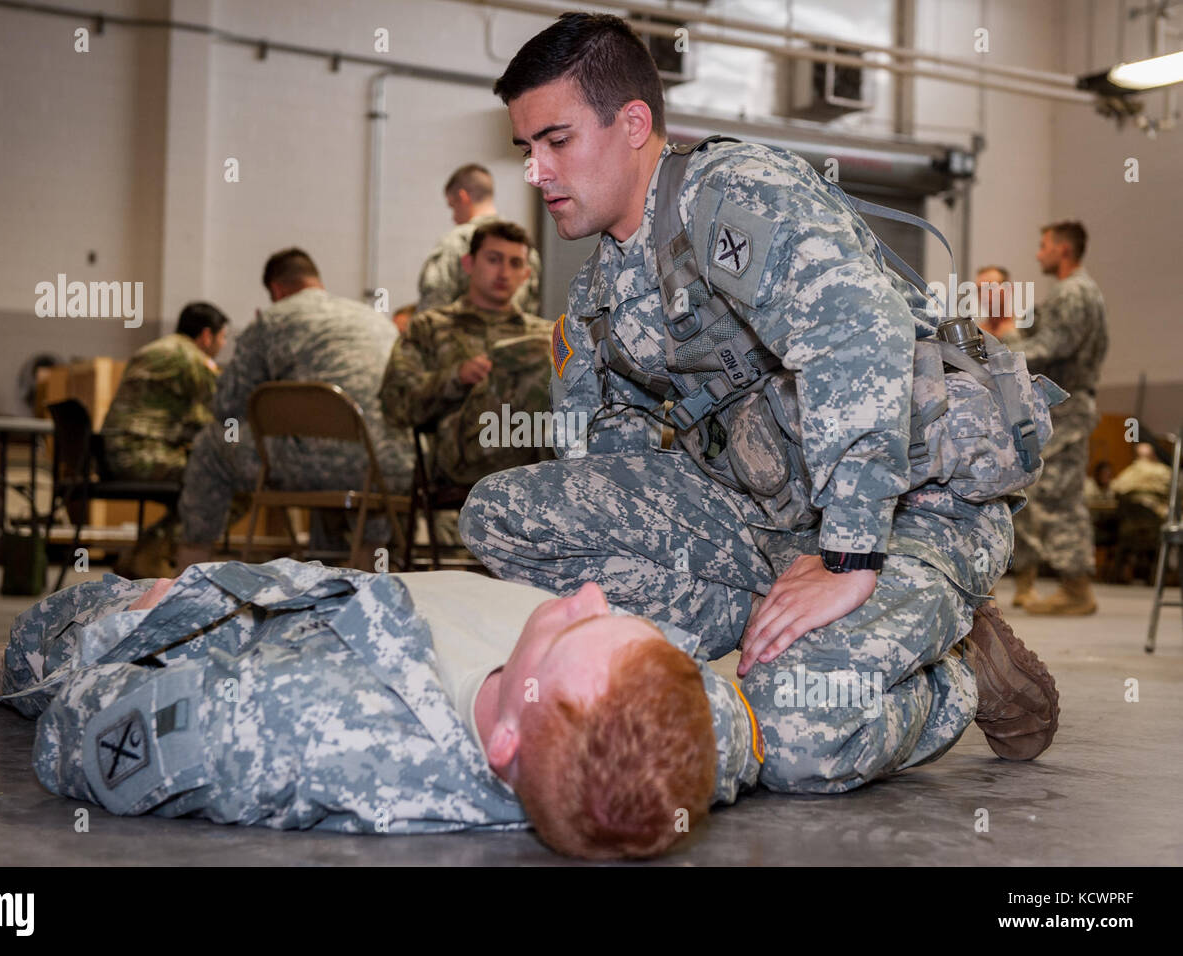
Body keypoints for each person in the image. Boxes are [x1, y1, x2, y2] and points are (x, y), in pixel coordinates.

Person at [460, 12, 1061, 775]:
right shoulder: (593, 304)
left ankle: (954, 670)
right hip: (768, 520)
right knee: (501, 516)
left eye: (556, 141)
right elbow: (607, 479)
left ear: (634, 122)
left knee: (794, 737)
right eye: (526, 150)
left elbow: (859, 334)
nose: (536, 172)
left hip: (913, 505)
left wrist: (847, 556)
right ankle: (781, 621)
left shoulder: (734, 194)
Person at [0, 562, 758, 860]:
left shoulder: (293, 733)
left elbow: (83, 740)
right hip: (347, 589)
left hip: (215, 623)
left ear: (501, 744)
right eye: (619, 624)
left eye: (578, 629)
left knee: (42, 650)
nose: (588, 595)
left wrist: (144, 621)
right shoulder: (678, 724)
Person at [175, 249, 412, 571]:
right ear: (316, 280)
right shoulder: (375, 319)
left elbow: (227, 405)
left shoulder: (273, 319)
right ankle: (369, 567)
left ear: (276, 290)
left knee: (210, 444)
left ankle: (188, 571)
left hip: (312, 464)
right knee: (366, 461)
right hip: (390, 466)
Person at [381, 220, 554, 487]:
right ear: (468, 264)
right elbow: (395, 403)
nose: (504, 272)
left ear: (526, 275)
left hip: (541, 447)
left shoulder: (545, 332)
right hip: (465, 454)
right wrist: (456, 377)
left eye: (515, 263)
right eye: (494, 259)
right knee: (541, 359)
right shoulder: (430, 327)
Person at [1010, 222, 1108, 615]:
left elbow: (1054, 346)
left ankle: (1077, 587)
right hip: (1066, 404)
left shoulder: (1073, 292)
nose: (1039, 254)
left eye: (1044, 246)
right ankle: (1075, 584)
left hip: (1067, 406)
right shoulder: (1075, 292)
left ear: (1063, 250)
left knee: (1058, 496)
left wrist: (1004, 354)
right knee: (1058, 494)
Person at [100, 302, 229, 577]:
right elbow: (219, 414)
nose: (223, 344)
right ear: (207, 336)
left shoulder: (155, 349)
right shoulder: (193, 359)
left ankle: (142, 554)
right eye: (223, 337)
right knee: (228, 483)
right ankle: (149, 555)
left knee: (196, 486)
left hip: (114, 455)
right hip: (144, 457)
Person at [417, 164, 542, 315]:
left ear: (463, 197)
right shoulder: (524, 250)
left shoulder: (454, 243)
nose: (453, 217)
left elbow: (432, 310)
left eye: (452, 207)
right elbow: (530, 310)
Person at [974, 264, 1024, 345]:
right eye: (979, 289)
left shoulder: (1025, 330)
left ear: (1009, 289)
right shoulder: (976, 333)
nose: (983, 294)